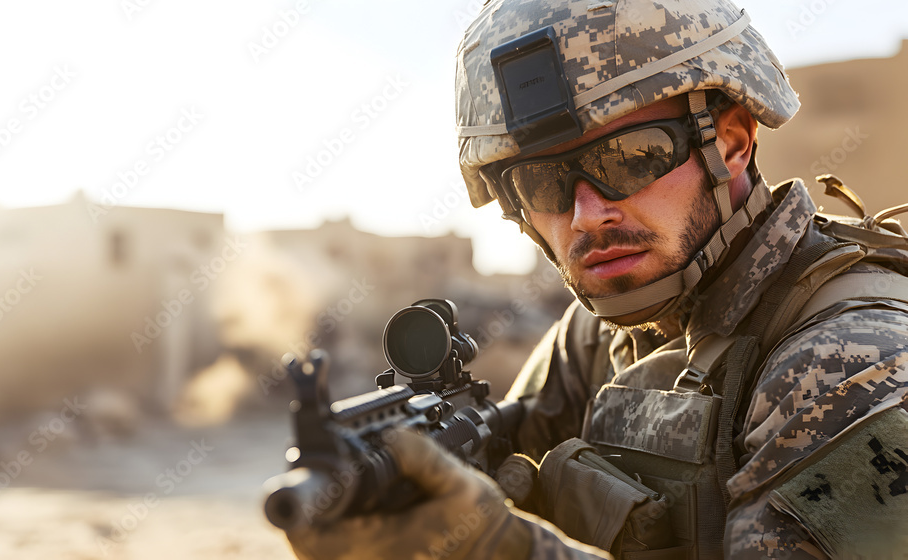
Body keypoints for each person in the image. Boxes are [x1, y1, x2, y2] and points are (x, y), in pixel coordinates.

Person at [284, 0, 908, 558]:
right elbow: (505, 447)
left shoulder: (853, 361)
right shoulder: (599, 333)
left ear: (731, 142)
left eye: (630, 158)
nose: (587, 214)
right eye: (542, 183)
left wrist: (504, 550)